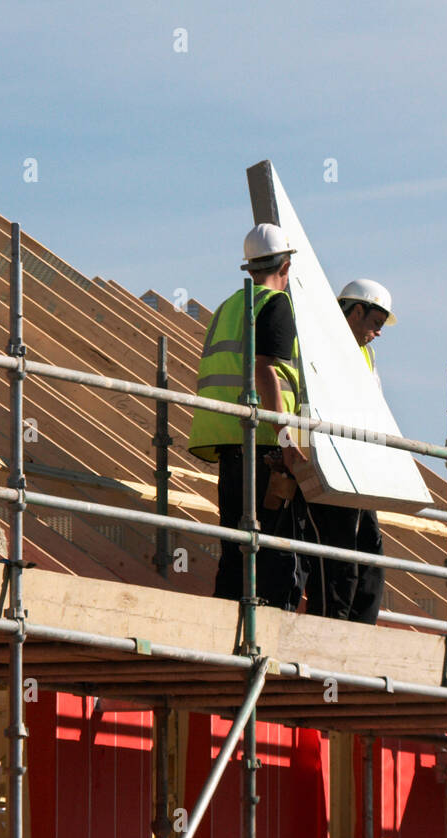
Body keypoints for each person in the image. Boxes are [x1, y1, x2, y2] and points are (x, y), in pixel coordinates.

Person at [188, 223, 308, 610]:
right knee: (272, 544)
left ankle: (228, 624)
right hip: (263, 441)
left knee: (237, 542)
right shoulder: (275, 303)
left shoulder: (229, 305)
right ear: (286, 266)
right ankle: (267, 630)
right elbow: (263, 368)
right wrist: (287, 436)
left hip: (229, 437)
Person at [304, 279, 396, 625]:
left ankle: (359, 631)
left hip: (359, 467)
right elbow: (305, 403)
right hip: (330, 466)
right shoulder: (318, 345)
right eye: (375, 323)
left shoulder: (362, 353)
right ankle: (332, 631)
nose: (378, 333)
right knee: (338, 561)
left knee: (369, 556)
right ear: (357, 311)